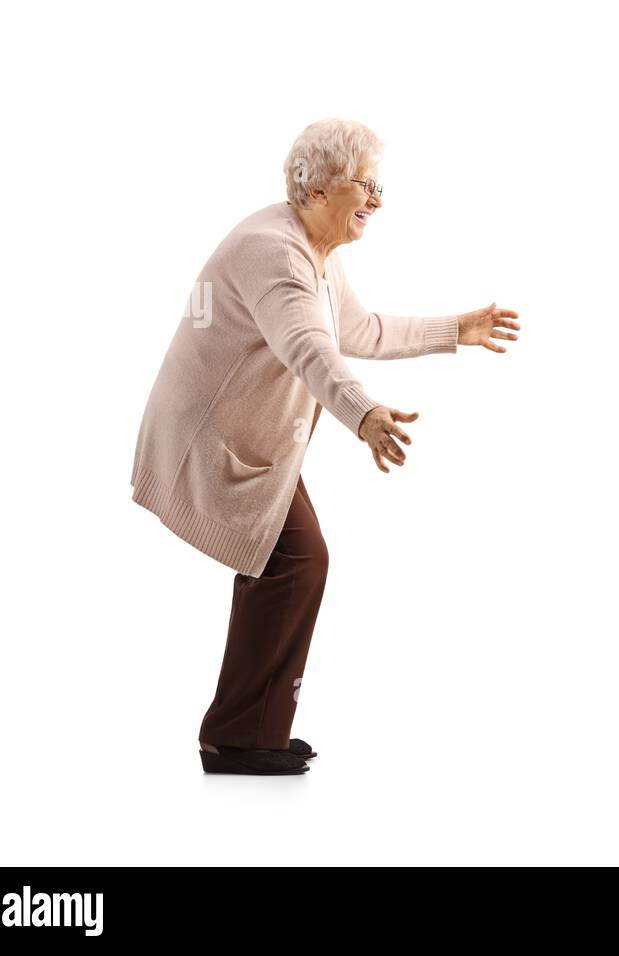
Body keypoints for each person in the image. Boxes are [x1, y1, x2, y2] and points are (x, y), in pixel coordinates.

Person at [130, 118, 521, 775]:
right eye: (366, 184)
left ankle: (244, 730)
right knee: (295, 561)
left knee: (286, 563)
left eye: (379, 185)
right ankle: (237, 736)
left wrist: (457, 329)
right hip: (214, 440)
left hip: (249, 442)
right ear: (317, 188)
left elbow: (357, 330)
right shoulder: (274, 252)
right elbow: (310, 350)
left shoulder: (311, 251)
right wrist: (364, 415)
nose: (377, 200)